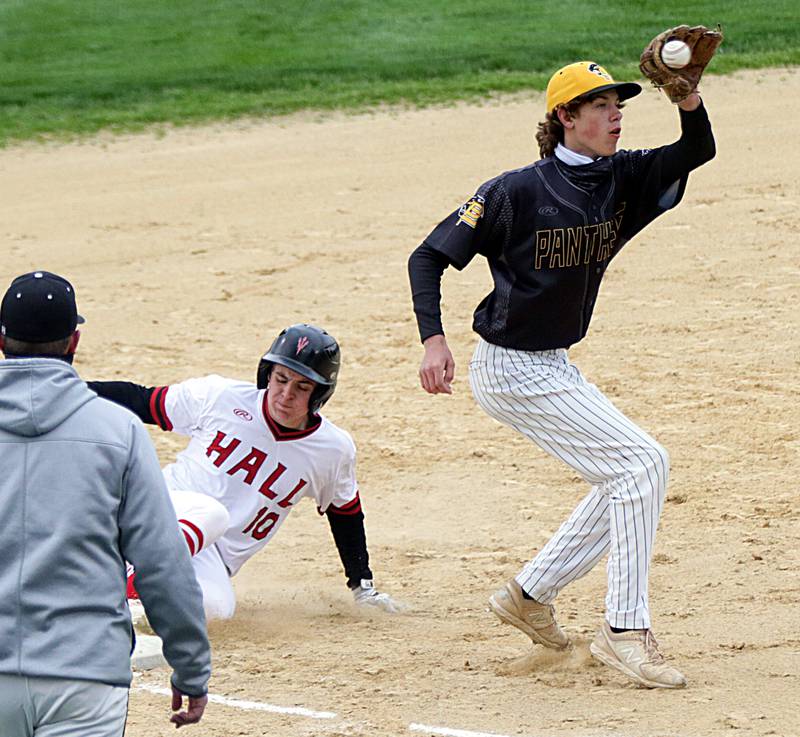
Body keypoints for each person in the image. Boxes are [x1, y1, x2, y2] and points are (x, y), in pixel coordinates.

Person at [408, 60, 717, 688]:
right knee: (642, 465)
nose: (616, 115)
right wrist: (433, 340)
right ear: (565, 118)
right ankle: (624, 631)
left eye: (618, 104)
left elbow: (697, 148)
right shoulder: (514, 191)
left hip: (552, 364)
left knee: (627, 476)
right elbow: (428, 256)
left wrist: (687, 98)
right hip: (511, 368)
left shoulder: (621, 176)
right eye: (600, 106)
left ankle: (529, 593)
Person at [0, 270, 211, 734]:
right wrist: (190, 666)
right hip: (84, 676)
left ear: (1, 340)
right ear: (73, 340)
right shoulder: (119, 430)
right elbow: (161, 562)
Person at [87, 323, 403, 621]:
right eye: (281, 379)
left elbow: (345, 513)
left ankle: (117, 593)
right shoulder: (220, 397)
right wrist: (68, 392)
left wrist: (362, 587)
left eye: (302, 386)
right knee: (213, 515)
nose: (286, 394)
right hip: (162, 509)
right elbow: (141, 400)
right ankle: (127, 585)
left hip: (210, 556)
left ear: (320, 393)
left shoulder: (332, 450)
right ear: (267, 374)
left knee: (217, 608)